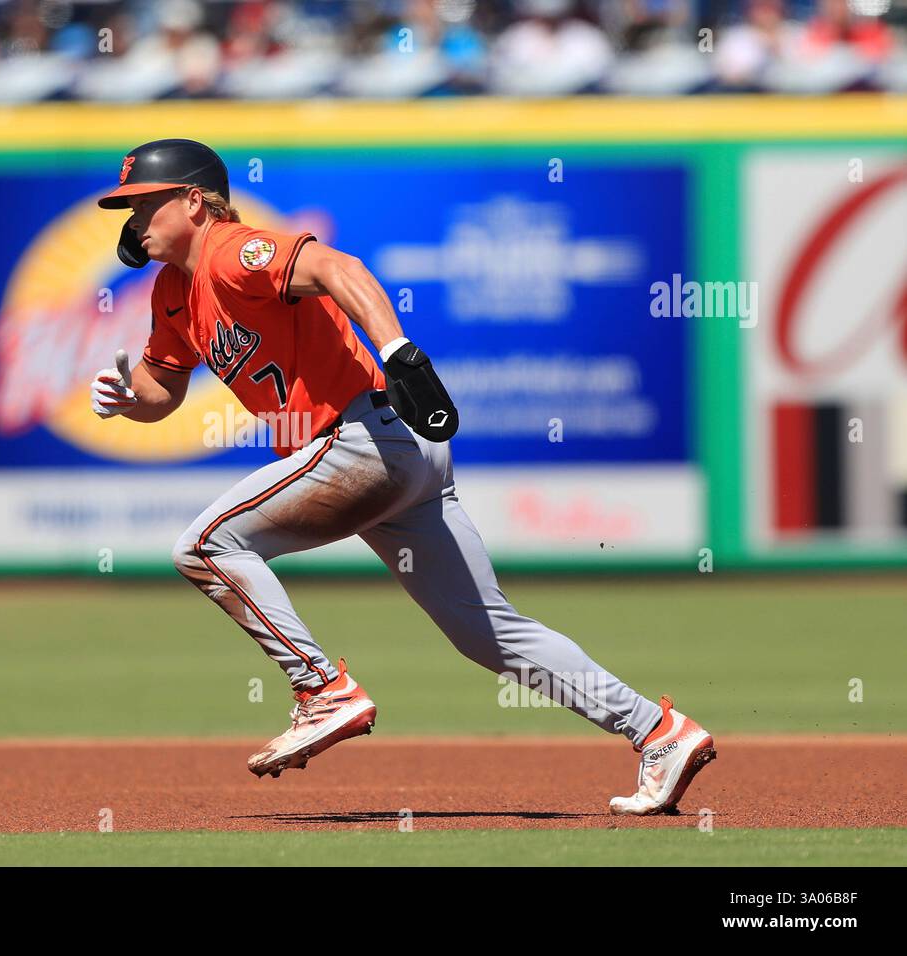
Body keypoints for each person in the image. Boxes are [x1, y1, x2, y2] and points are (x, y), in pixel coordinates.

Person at [89, 139, 715, 814]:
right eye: (128, 206)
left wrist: (395, 350)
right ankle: (658, 730)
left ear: (193, 201)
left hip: (361, 439)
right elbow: (163, 387)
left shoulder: (230, 251)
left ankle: (322, 689)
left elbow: (337, 266)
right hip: (393, 456)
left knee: (207, 545)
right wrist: (134, 398)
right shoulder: (174, 292)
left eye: (146, 201)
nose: (134, 218)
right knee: (488, 633)